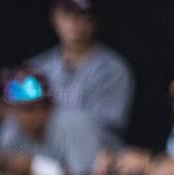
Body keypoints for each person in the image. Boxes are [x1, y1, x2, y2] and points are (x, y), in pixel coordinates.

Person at [25, 0, 134, 141]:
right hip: (42, 148)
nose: (75, 24)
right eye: (68, 15)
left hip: (94, 153)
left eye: (84, 16)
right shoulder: (36, 67)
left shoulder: (112, 69)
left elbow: (102, 129)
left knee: (73, 122)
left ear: (95, 21)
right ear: (54, 18)